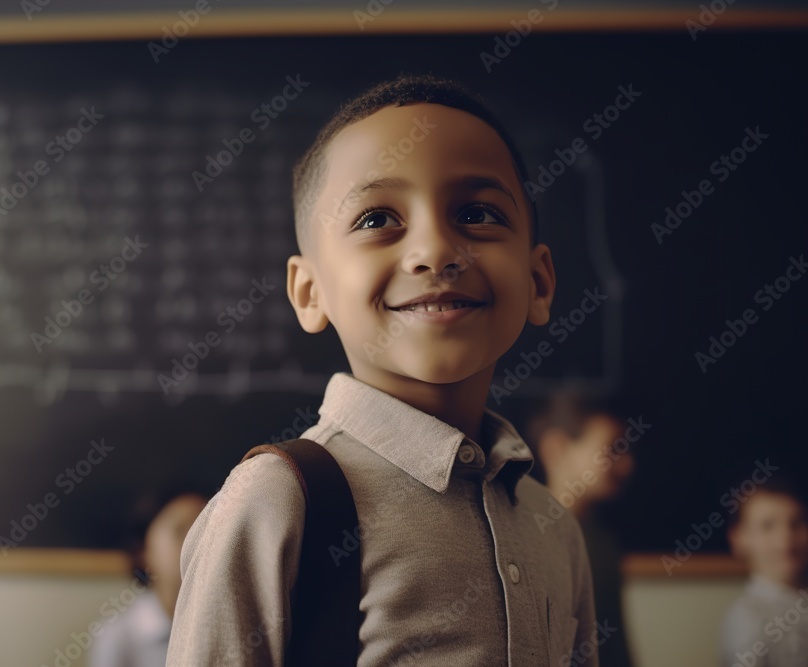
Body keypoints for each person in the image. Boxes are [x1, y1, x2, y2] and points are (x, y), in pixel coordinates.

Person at [167, 73, 598, 665]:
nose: (436, 251)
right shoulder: (278, 499)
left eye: (478, 213)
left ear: (538, 281)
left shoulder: (554, 527)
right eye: (376, 220)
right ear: (310, 292)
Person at [525, 389, 638, 667]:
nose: (626, 465)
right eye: (613, 450)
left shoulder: (602, 541)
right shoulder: (526, 537)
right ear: (557, 448)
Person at [90, 489, 207, 667]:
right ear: (143, 551)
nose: (198, 543)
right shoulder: (118, 638)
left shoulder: (232, 625)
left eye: (207, 530)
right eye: (181, 531)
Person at [721, 476, 808, 667]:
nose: (785, 539)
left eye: (796, 523)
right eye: (767, 526)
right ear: (739, 538)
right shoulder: (748, 619)